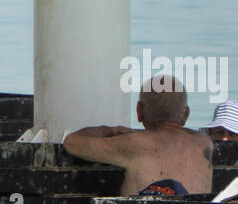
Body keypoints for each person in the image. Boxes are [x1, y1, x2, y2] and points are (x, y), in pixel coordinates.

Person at [62, 76, 213, 196]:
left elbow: (71, 142)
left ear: (139, 111)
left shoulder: (133, 144)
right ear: (186, 114)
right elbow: (182, 132)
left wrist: (112, 130)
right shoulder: (204, 144)